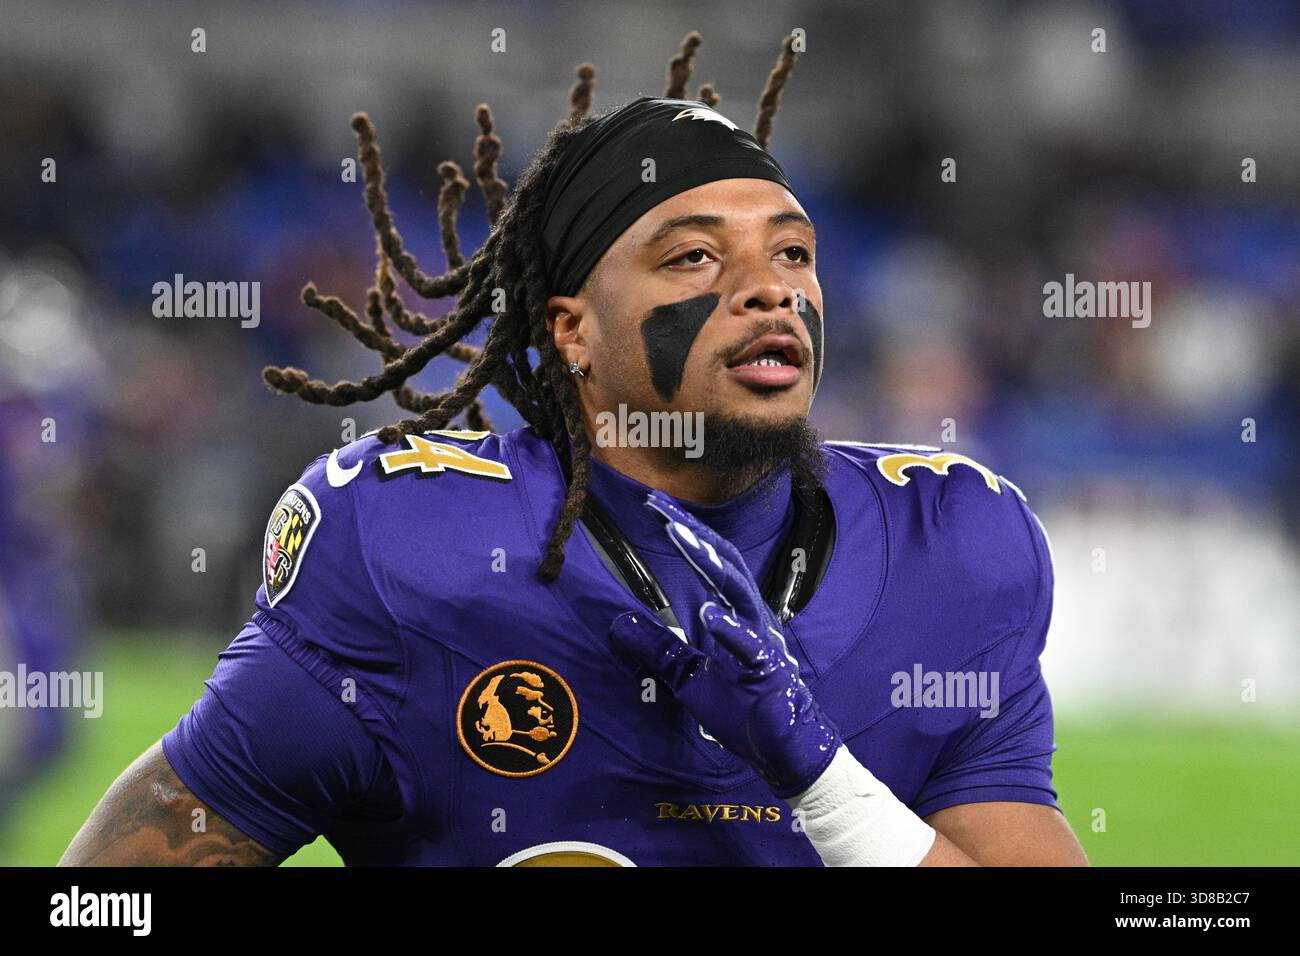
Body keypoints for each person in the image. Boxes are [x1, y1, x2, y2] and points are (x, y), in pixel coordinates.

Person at [62, 32, 1087, 867]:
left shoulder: (949, 545)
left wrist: (822, 777)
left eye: (792, 253)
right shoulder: (411, 555)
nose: (771, 287)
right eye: (694, 257)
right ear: (571, 329)